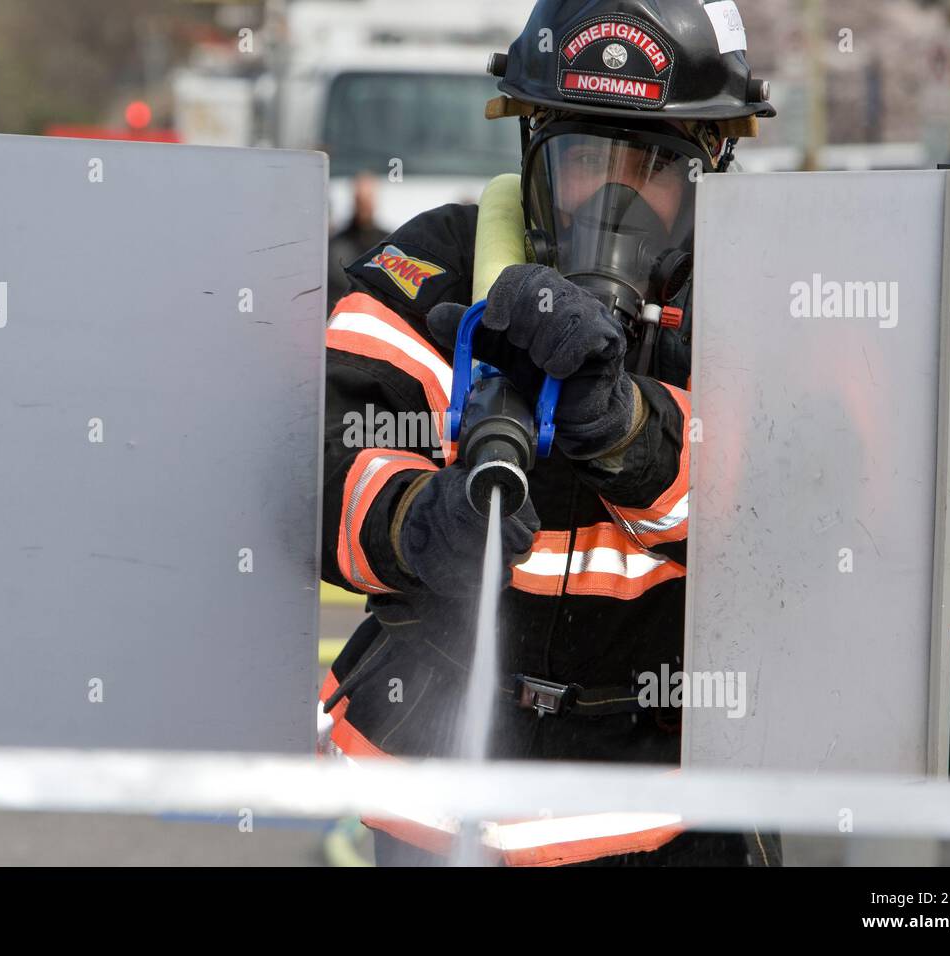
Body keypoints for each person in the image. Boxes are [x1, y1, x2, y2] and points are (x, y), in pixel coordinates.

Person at [318, 0, 776, 866]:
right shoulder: (438, 269)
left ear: (713, 164)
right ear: (531, 152)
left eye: (651, 168)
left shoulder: (757, 302)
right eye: (584, 161)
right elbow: (322, 453)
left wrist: (626, 427)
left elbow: (789, 515)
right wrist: (419, 519)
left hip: (667, 799)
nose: (615, 199)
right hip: (437, 792)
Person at [327, 173, 388, 311]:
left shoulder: (388, 241)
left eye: (368, 198)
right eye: (360, 199)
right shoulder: (337, 243)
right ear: (353, 199)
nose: (364, 204)